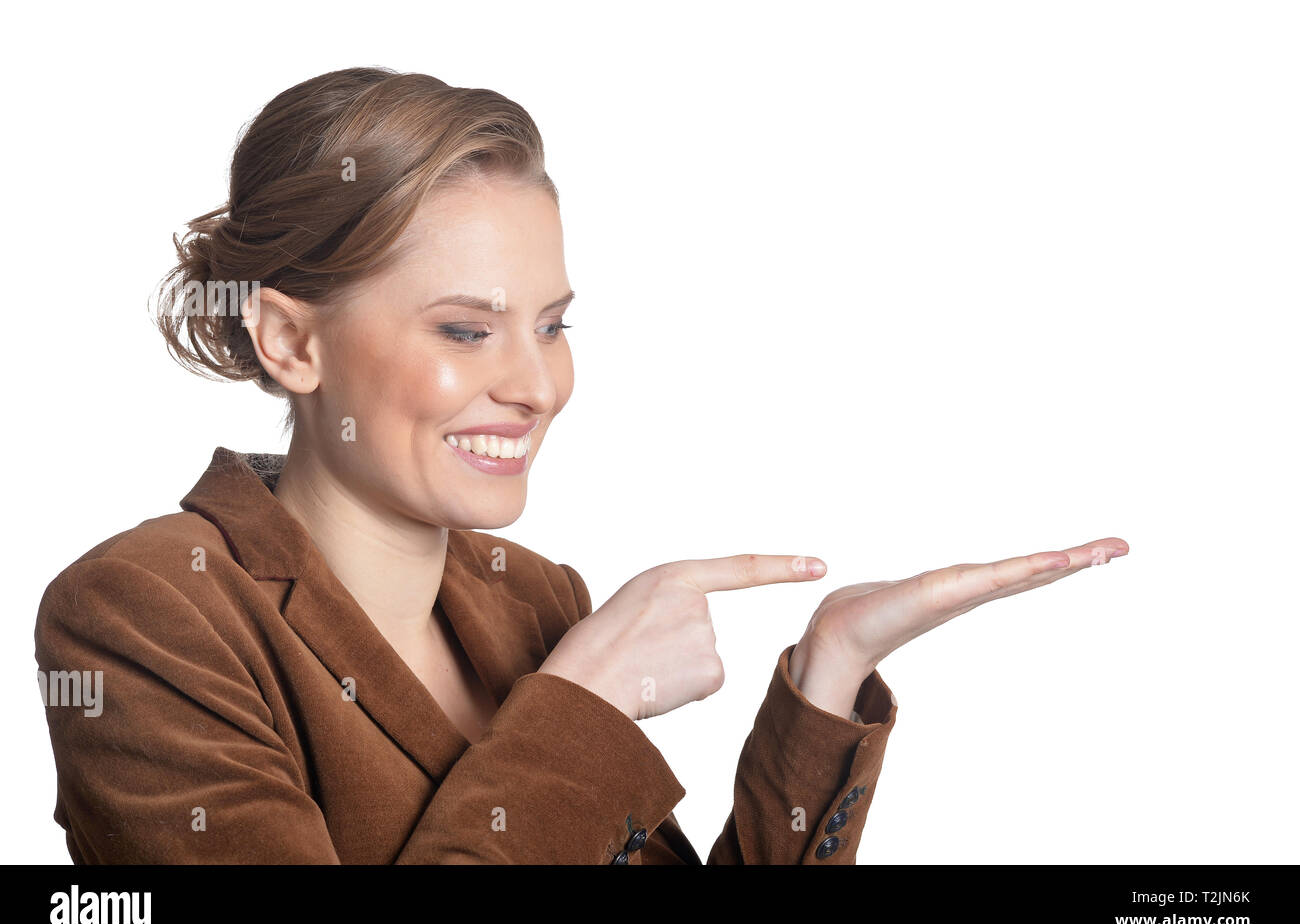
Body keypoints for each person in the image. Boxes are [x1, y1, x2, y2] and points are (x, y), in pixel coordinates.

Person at [34, 67, 1128, 864]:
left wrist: (827, 674)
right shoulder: (146, 613)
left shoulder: (534, 603)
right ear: (291, 341)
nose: (539, 384)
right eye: (466, 330)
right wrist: (580, 706)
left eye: (551, 325)